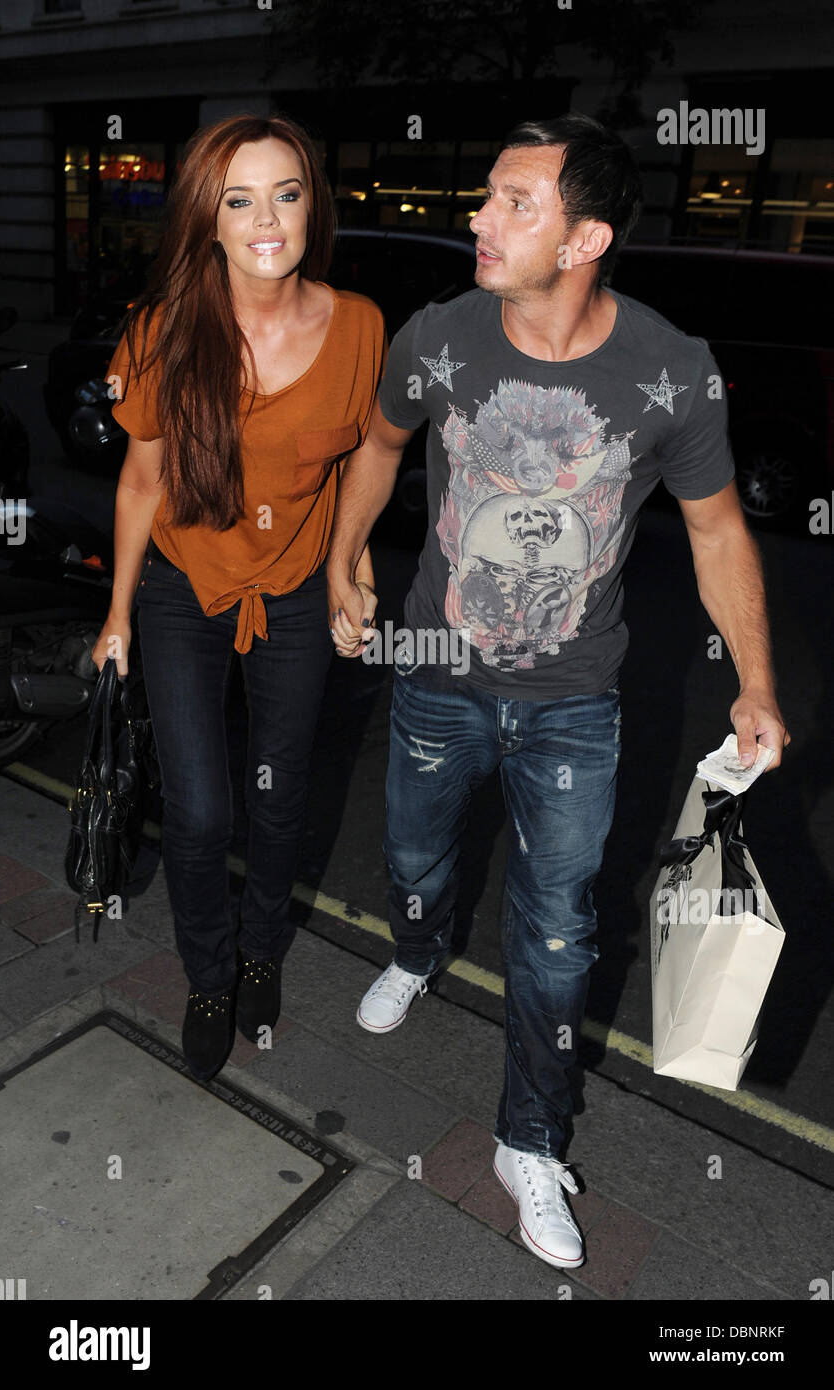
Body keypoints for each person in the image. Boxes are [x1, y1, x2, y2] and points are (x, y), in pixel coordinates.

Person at [326, 113, 790, 1271]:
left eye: (511, 202)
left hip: (578, 698)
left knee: (557, 929)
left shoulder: (669, 368)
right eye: (485, 195)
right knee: (419, 860)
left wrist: (757, 681)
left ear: (583, 237)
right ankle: (420, 947)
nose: (478, 219)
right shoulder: (439, 338)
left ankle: (527, 1139)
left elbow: (717, 527)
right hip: (438, 671)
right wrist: (348, 556)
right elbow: (381, 446)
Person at [93, 113, 384, 1082]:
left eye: (287, 193)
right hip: (184, 590)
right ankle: (209, 976)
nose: (268, 218)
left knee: (281, 795)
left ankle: (262, 952)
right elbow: (140, 484)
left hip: (297, 592)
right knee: (201, 811)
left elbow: (355, 465)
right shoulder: (162, 331)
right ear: (206, 220)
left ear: (313, 206)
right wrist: (117, 617)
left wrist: (352, 562)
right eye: (240, 198)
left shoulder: (358, 327)